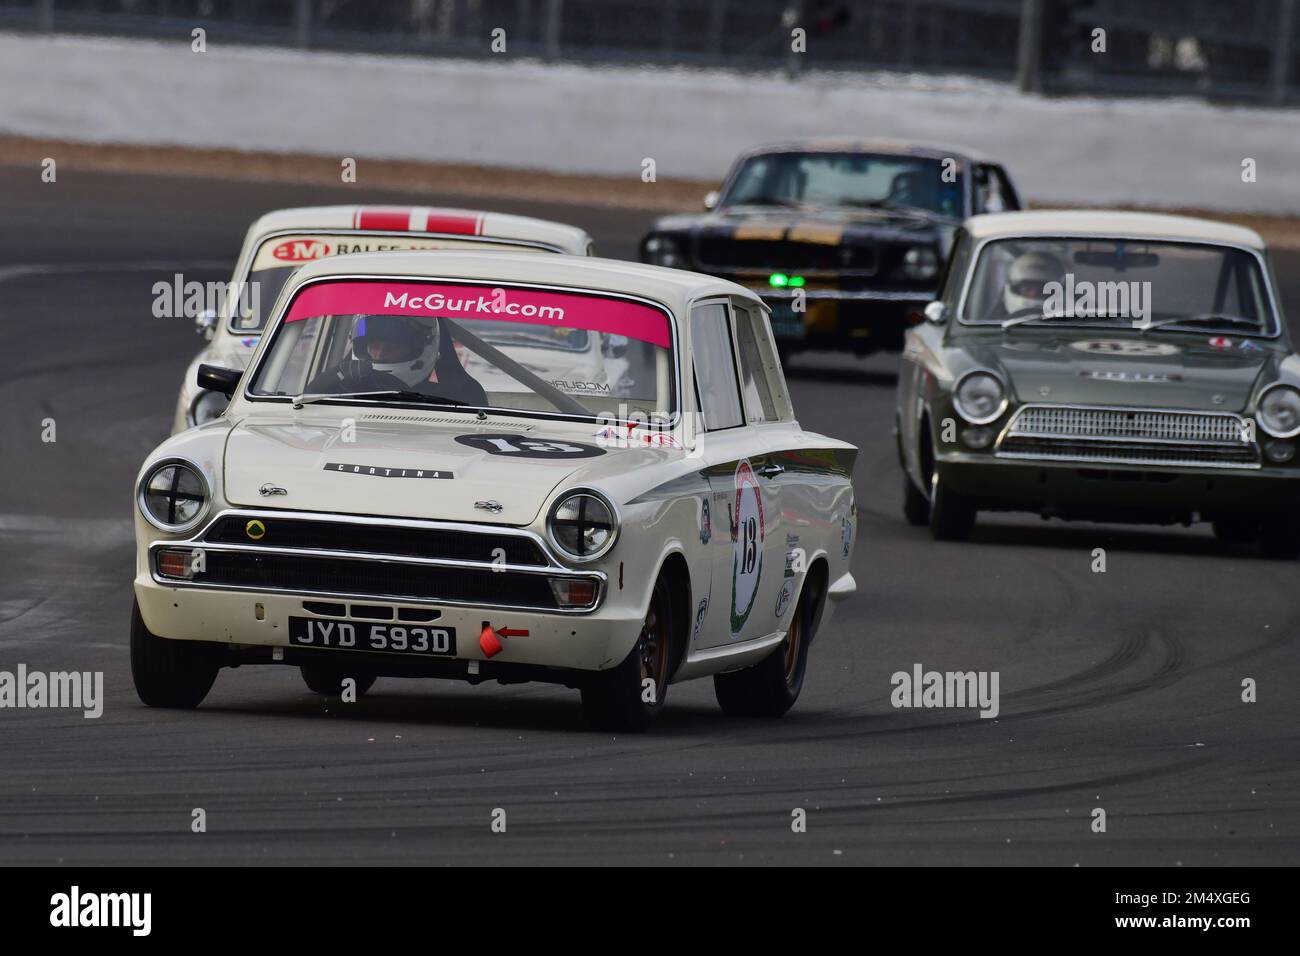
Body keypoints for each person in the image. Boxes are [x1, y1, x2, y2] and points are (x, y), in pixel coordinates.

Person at [306, 314, 487, 406]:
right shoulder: (340, 387)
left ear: (420, 348)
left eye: (391, 349)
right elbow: (302, 409)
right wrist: (333, 380)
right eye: (374, 347)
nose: (378, 355)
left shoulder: (460, 396)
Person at [1001, 250, 1066, 317]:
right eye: (1027, 289)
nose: (1033, 294)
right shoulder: (996, 323)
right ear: (1015, 288)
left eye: (1042, 290)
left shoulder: (1069, 323)